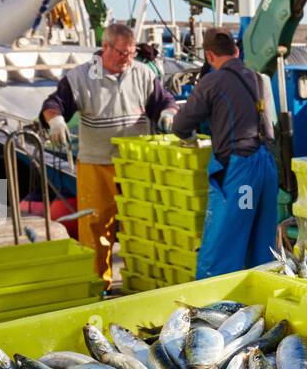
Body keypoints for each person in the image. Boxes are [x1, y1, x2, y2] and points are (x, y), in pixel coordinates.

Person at [42, 22, 177, 287]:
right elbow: (54, 104)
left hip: (135, 165)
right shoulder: (80, 76)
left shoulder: (142, 73)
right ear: (105, 47)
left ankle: (141, 280)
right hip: (97, 163)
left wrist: (168, 114)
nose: (127, 58)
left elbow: (164, 101)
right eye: (122, 52)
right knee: (95, 225)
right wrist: (55, 121)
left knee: (140, 224)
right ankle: (97, 283)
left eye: (131, 52)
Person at [169, 28, 280, 279]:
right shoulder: (257, 78)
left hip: (242, 175)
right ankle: (263, 300)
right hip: (267, 168)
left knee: (221, 248)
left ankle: (210, 310)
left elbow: (180, 126)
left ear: (209, 56)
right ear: (236, 51)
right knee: (263, 247)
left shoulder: (212, 81)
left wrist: (190, 138)